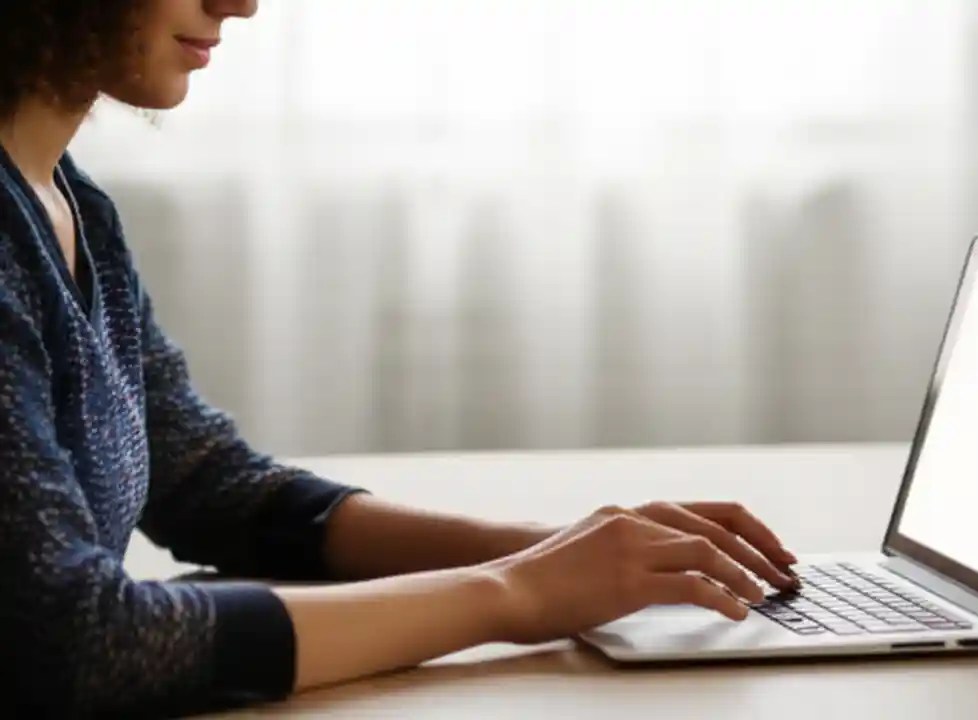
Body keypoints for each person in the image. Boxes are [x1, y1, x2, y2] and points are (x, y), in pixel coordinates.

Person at [0, 1, 801, 716]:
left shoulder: (70, 202)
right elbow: (75, 641)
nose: (239, 4)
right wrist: (513, 595)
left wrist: (551, 549)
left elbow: (206, 484)